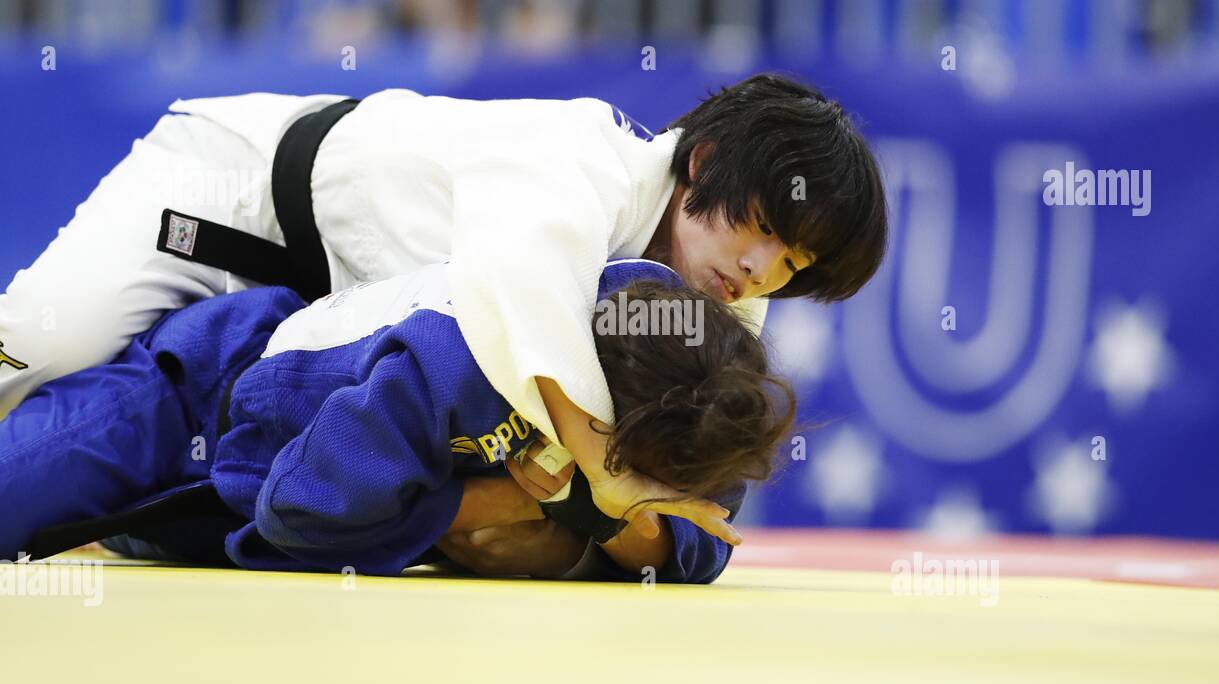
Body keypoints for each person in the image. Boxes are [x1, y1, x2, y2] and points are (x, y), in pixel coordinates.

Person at [0, 73, 884, 542]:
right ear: (704, 162)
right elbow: (517, 288)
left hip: (303, 324)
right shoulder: (582, 157)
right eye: (762, 227)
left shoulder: (720, 304)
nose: (757, 271)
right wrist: (603, 474)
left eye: (791, 264)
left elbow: (707, 453)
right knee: (44, 343)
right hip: (226, 198)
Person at [0, 259, 795, 584]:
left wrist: (606, 512)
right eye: (625, 467)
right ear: (592, 420)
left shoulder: (691, 367)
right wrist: (514, 504)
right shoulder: (466, 357)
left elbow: (698, 540)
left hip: (213, 516)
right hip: (194, 398)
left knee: (122, 535)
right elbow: (299, 510)